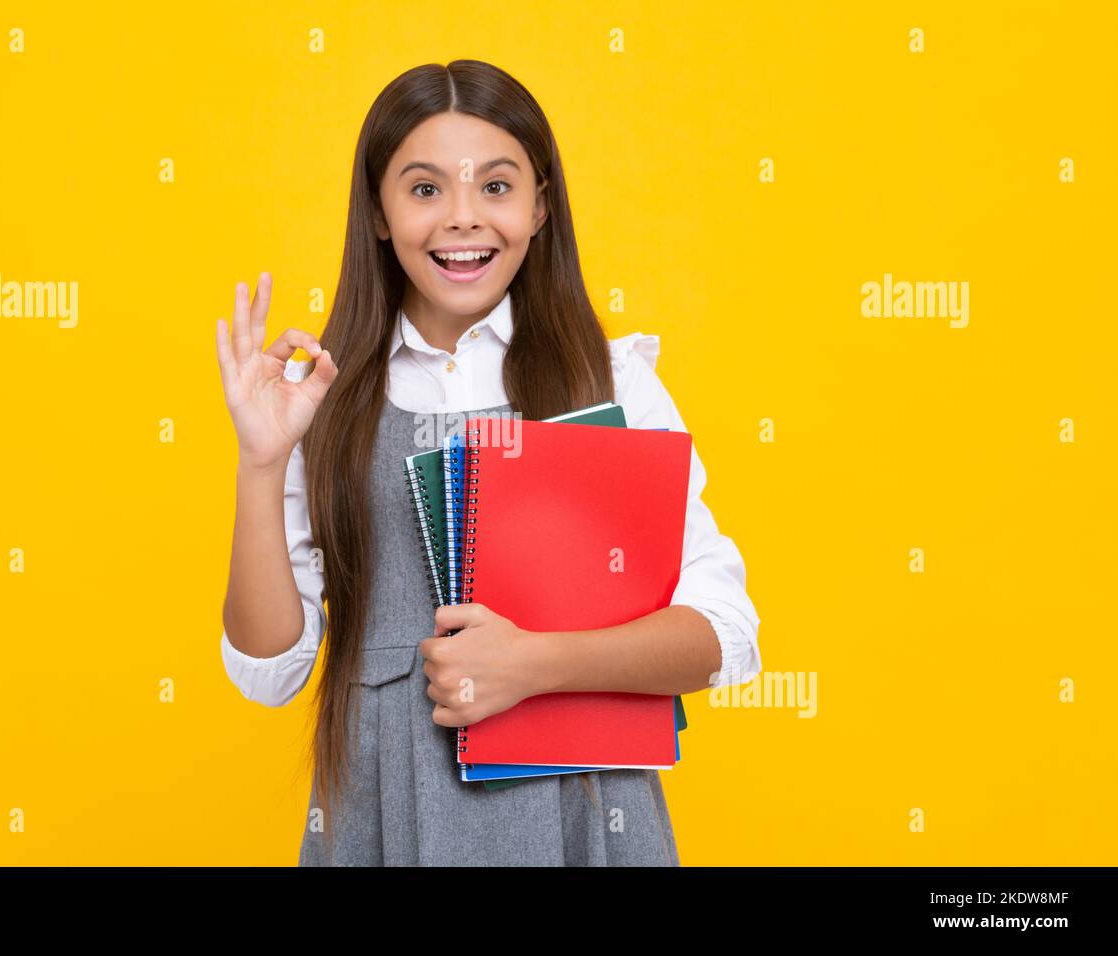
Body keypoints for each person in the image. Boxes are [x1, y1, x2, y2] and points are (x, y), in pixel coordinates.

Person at [214, 59, 761, 866]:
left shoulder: (610, 381)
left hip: (579, 819)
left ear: (541, 206)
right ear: (377, 210)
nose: (463, 219)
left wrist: (532, 665)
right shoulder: (319, 400)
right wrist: (262, 463)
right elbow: (268, 673)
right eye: (426, 189)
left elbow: (724, 634)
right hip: (381, 817)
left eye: (497, 187)